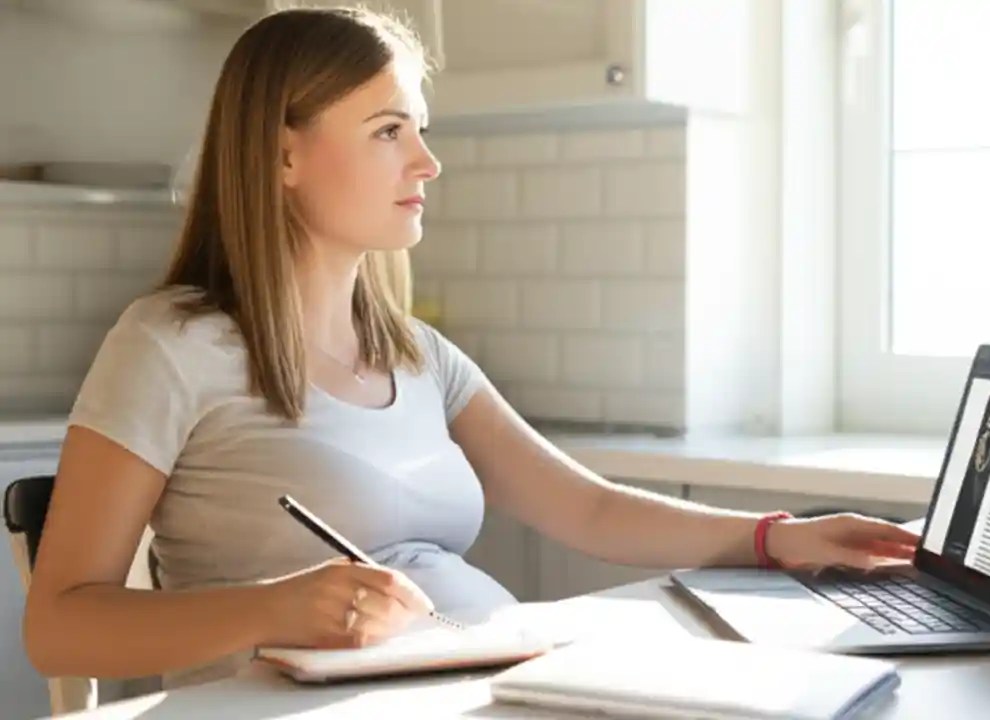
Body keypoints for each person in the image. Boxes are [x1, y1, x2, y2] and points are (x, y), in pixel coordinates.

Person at [22, 7, 919, 689]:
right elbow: (58, 627)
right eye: (387, 131)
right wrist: (279, 606)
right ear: (282, 154)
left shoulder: (418, 355)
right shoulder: (172, 346)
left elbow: (589, 512)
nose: (426, 162)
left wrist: (775, 538)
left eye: (421, 129)